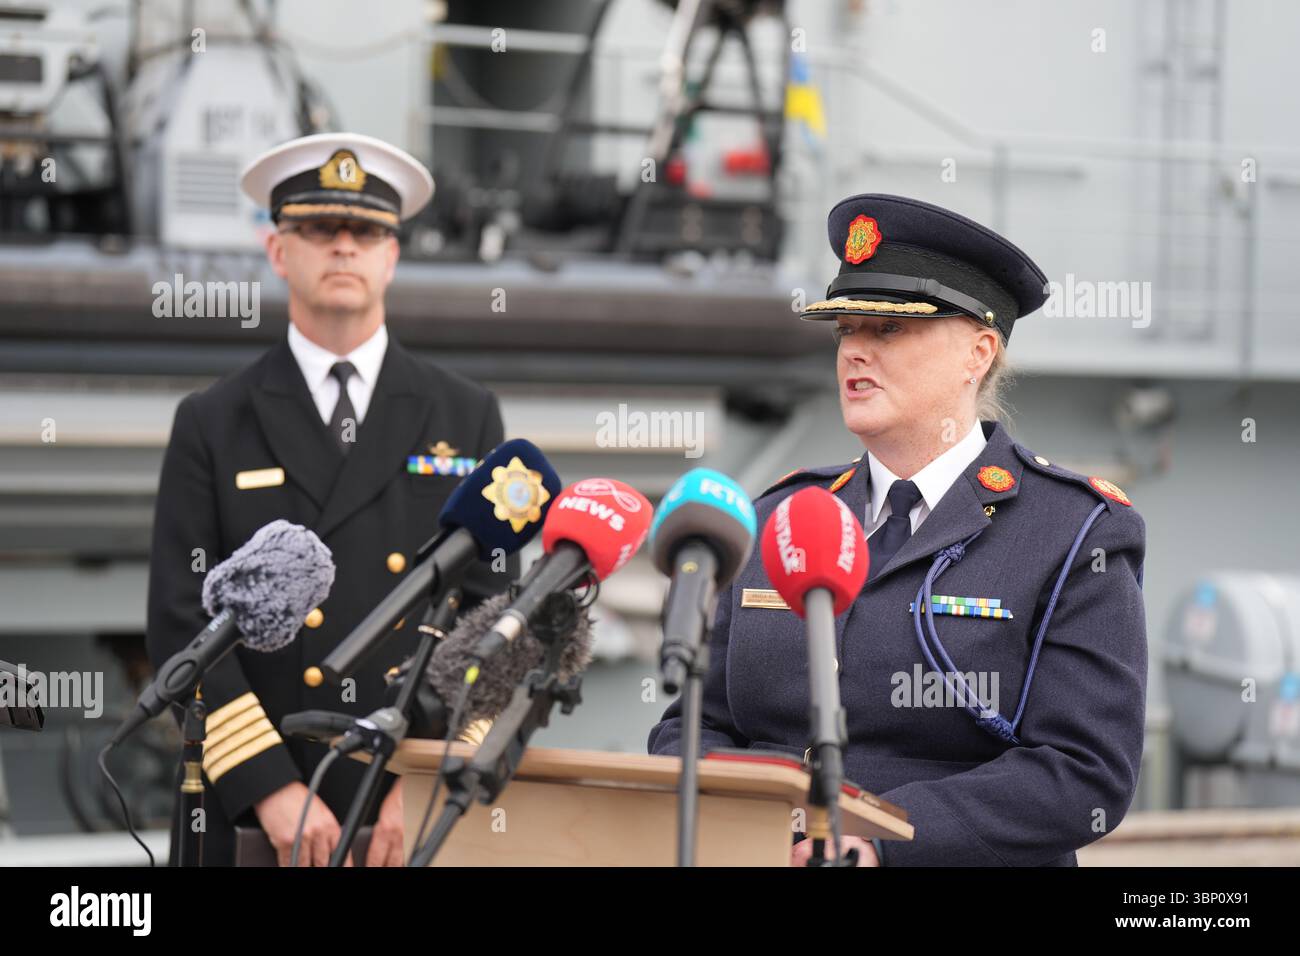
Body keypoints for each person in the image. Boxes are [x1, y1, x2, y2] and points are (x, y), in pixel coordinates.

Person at [648, 194, 1147, 866]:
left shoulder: (1075, 530)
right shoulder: (775, 520)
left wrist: (883, 839)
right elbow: (694, 725)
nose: (855, 351)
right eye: (846, 330)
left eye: (888, 330)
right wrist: (764, 826)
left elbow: (1084, 772)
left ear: (978, 353)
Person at [147, 133, 515, 866]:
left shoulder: (466, 416)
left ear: (392, 256)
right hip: (260, 813)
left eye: (368, 231)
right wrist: (271, 788)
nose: (344, 246)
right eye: (320, 229)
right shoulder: (214, 421)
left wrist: (429, 777)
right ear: (279, 250)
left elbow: (497, 620)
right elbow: (180, 622)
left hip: (409, 815)